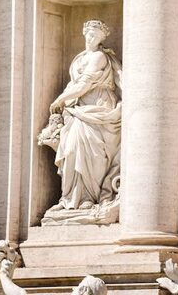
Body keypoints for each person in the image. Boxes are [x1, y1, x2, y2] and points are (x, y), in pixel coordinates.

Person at [44, 20, 122, 214]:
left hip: (98, 106)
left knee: (93, 152)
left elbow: (84, 85)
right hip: (78, 109)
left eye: (96, 35)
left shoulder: (99, 57)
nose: (91, 37)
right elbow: (75, 84)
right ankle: (69, 197)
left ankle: (89, 197)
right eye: (89, 33)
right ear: (84, 33)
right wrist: (67, 101)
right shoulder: (79, 59)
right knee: (70, 151)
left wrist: (60, 99)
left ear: (102, 38)